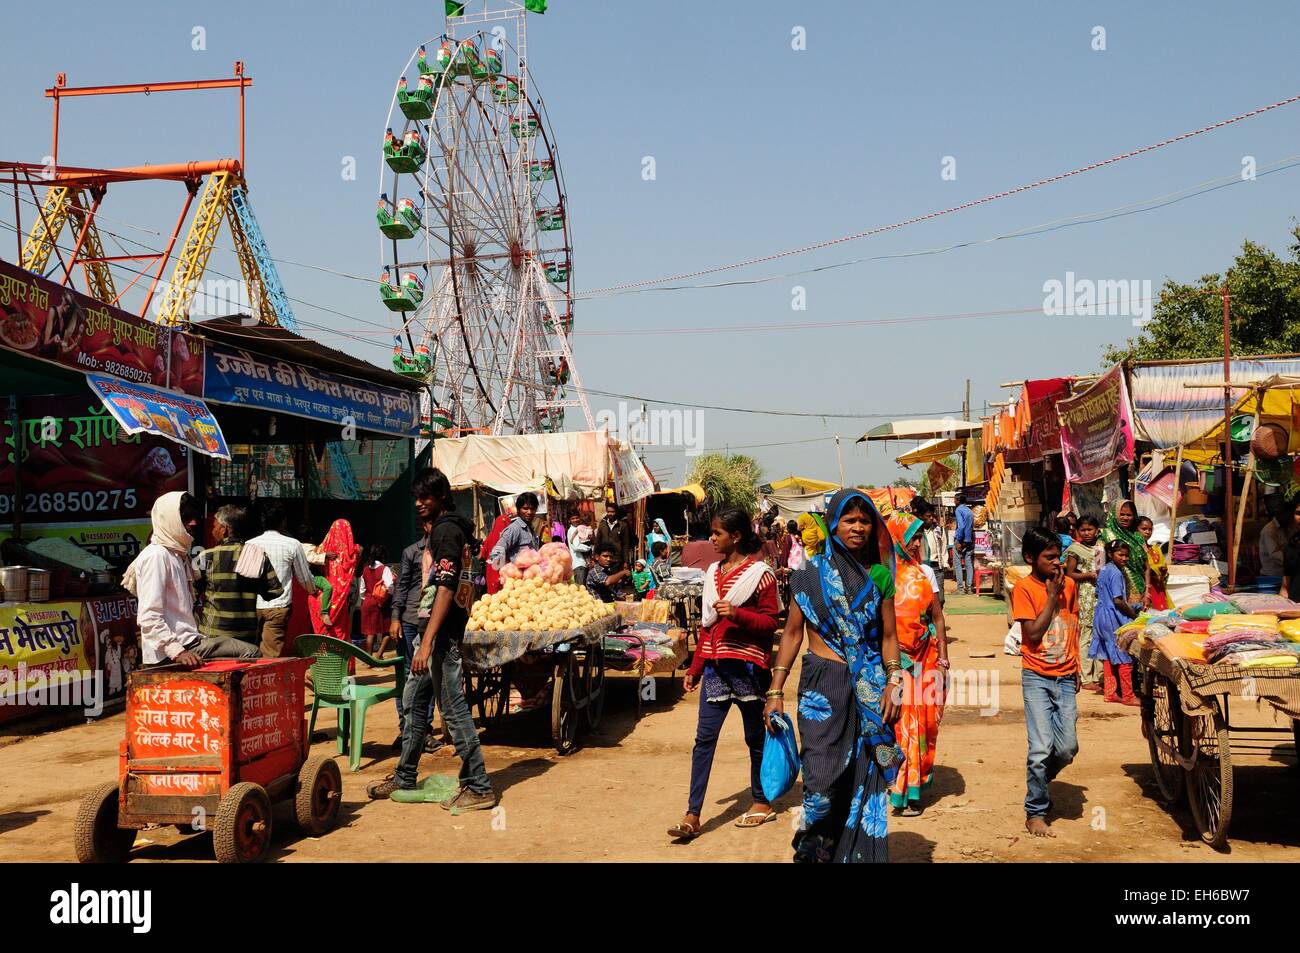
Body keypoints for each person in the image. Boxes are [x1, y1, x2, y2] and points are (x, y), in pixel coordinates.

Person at [765, 489, 903, 863]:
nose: (858, 527)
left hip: (868, 688)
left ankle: (844, 853)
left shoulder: (879, 576)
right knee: (821, 780)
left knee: (858, 776)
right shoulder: (809, 575)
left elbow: (889, 636)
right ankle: (812, 845)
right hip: (821, 686)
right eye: (850, 520)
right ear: (833, 524)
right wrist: (775, 690)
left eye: (864, 521)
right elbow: (793, 633)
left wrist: (894, 681)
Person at [368, 468, 495, 809]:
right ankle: (404, 774)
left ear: (441, 497)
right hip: (431, 631)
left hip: (441, 636)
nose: (419, 503)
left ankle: (479, 786)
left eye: (426, 497)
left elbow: (447, 587)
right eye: (416, 498)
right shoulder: (450, 530)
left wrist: (427, 642)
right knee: (412, 704)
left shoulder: (446, 531)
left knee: (452, 709)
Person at [668, 509, 780, 840]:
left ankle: (761, 802)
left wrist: (739, 614)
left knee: (754, 738)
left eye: (717, 533)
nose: (712, 538)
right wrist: (696, 667)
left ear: (736, 536)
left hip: (748, 668)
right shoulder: (713, 573)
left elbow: (771, 623)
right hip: (716, 669)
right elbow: (707, 628)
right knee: (704, 740)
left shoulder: (762, 575)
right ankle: (692, 814)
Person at [126, 492, 262, 668]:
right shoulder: (157, 556)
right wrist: (178, 652)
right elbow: (149, 618)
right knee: (251, 653)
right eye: (185, 518)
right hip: (175, 651)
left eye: (193, 517)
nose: (193, 523)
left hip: (191, 642)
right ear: (168, 520)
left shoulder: (177, 554)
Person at [1010, 527, 1080, 839]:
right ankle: (1035, 811)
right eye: (1049, 557)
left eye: (1059, 556)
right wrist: (1051, 598)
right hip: (1036, 675)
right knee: (1040, 748)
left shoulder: (1069, 586)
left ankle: (1040, 780)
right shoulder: (1024, 589)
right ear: (1030, 558)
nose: (1057, 563)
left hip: (1065, 675)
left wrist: (1075, 665)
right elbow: (1034, 634)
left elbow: (1074, 624)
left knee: (1066, 749)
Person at [886, 513, 949, 817]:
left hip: (927, 658)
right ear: (896, 539)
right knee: (902, 724)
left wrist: (945, 655)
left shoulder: (925, 574)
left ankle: (917, 780)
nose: (915, 543)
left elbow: (937, 617)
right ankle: (902, 788)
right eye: (909, 537)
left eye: (918, 537)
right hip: (895, 662)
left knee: (924, 723)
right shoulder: (880, 575)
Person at [197, 504, 283, 645]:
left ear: (224, 529)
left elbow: (192, 595)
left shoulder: (206, 557)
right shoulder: (257, 555)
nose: (213, 531)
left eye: (215, 526)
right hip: (246, 637)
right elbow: (274, 591)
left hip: (212, 635)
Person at [389, 517, 438, 746]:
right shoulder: (411, 552)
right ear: (424, 527)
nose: (431, 527)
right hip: (410, 619)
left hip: (434, 621)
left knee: (427, 675)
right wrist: (395, 618)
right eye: (428, 523)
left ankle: (423, 728)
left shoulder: (445, 551)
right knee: (410, 674)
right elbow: (402, 587)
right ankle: (406, 728)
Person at [249, 500, 318, 658]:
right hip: (278, 607)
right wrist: (314, 590)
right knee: (270, 657)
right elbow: (304, 577)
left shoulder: (249, 544)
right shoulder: (292, 544)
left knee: (249, 653)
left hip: (252, 607)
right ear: (283, 521)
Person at [1092, 540, 1142, 706]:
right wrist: (1134, 615)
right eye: (1121, 555)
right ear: (1111, 554)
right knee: (1124, 654)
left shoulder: (1104, 569)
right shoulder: (1117, 574)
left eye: (1127, 555)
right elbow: (1118, 600)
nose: (1125, 558)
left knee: (1108, 655)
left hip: (1100, 616)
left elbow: (1098, 594)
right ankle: (1128, 695)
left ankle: (1110, 692)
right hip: (1112, 617)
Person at [1064, 514, 1105, 692]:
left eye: (1090, 529)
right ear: (1077, 531)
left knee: (1100, 633)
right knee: (1087, 635)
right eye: (1083, 530)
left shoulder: (1101, 547)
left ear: (1097, 530)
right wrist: (1088, 575)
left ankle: (1100, 675)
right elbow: (1070, 573)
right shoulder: (1075, 549)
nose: (1087, 533)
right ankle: (1086, 676)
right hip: (1086, 594)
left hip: (1101, 594)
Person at [311, 520, 360, 642]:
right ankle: (338, 660)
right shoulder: (351, 554)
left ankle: (323, 659)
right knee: (339, 635)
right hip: (340, 600)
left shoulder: (322, 549)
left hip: (320, 597)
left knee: (323, 636)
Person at [1103, 500, 1148, 608]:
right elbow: (1099, 564)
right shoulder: (1106, 535)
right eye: (1122, 514)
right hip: (1116, 588)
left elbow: (1146, 566)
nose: (1125, 518)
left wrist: (1148, 590)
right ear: (1115, 514)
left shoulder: (1138, 537)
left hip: (1139, 587)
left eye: (1129, 515)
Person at [360, 543, 396, 658]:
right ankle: (379, 655)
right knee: (386, 629)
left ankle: (369, 657)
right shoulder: (384, 569)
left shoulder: (365, 570)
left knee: (370, 632)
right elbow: (389, 586)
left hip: (367, 601)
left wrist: (366, 598)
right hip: (380, 602)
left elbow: (362, 590)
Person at [911, 499, 946, 609]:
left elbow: (943, 545)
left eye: (932, 516)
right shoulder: (915, 531)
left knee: (939, 599)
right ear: (921, 516)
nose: (931, 518)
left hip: (936, 568)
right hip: (921, 568)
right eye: (928, 516)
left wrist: (944, 563)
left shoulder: (938, 530)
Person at [490, 492, 541, 567]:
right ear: (518, 510)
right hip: (516, 577)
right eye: (525, 508)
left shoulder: (531, 529)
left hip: (530, 576)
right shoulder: (514, 529)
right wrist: (505, 571)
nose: (529, 512)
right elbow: (495, 554)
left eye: (532, 509)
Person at [1259, 496, 1295, 590]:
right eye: (1286, 514)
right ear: (1278, 515)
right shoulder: (1269, 531)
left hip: (1286, 575)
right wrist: (1293, 560)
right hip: (1272, 577)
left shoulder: (1289, 527)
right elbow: (1275, 555)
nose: (1289, 516)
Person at [1135, 516, 1169, 611]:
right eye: (1144, 529)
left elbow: (1163, 569)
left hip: (1158, 588)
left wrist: (1162, 572)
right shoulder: (1135, 549)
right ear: (1136, 530)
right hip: (1143, 587)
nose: (1147, 532)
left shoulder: (1155, 549)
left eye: (1150, 529)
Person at [480, 514, 512, 595]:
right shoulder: (510, 538)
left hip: (492, 572)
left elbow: (482, 555)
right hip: (507, 572)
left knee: (493, 599)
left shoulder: (490, 538)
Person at [953, 494, 975, 594]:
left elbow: (961, 526)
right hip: (969, 539)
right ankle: (969, 588)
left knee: (957, 563)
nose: (954, 501)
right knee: (968, 563)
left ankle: (960, 588)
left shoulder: (958, 510)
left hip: (961, 540)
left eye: (954, 499)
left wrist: (958, 540)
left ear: (957, 500)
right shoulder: (970, 511)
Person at [567, 512, 593, 586]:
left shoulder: (582, 527)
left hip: (584, 562)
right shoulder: (572, 530)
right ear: (569, 520)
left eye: (577, 518)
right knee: (581, 587)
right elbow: (576, 547)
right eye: (573, 518)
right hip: (579, 562)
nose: (575, 520)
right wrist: (589, 547)